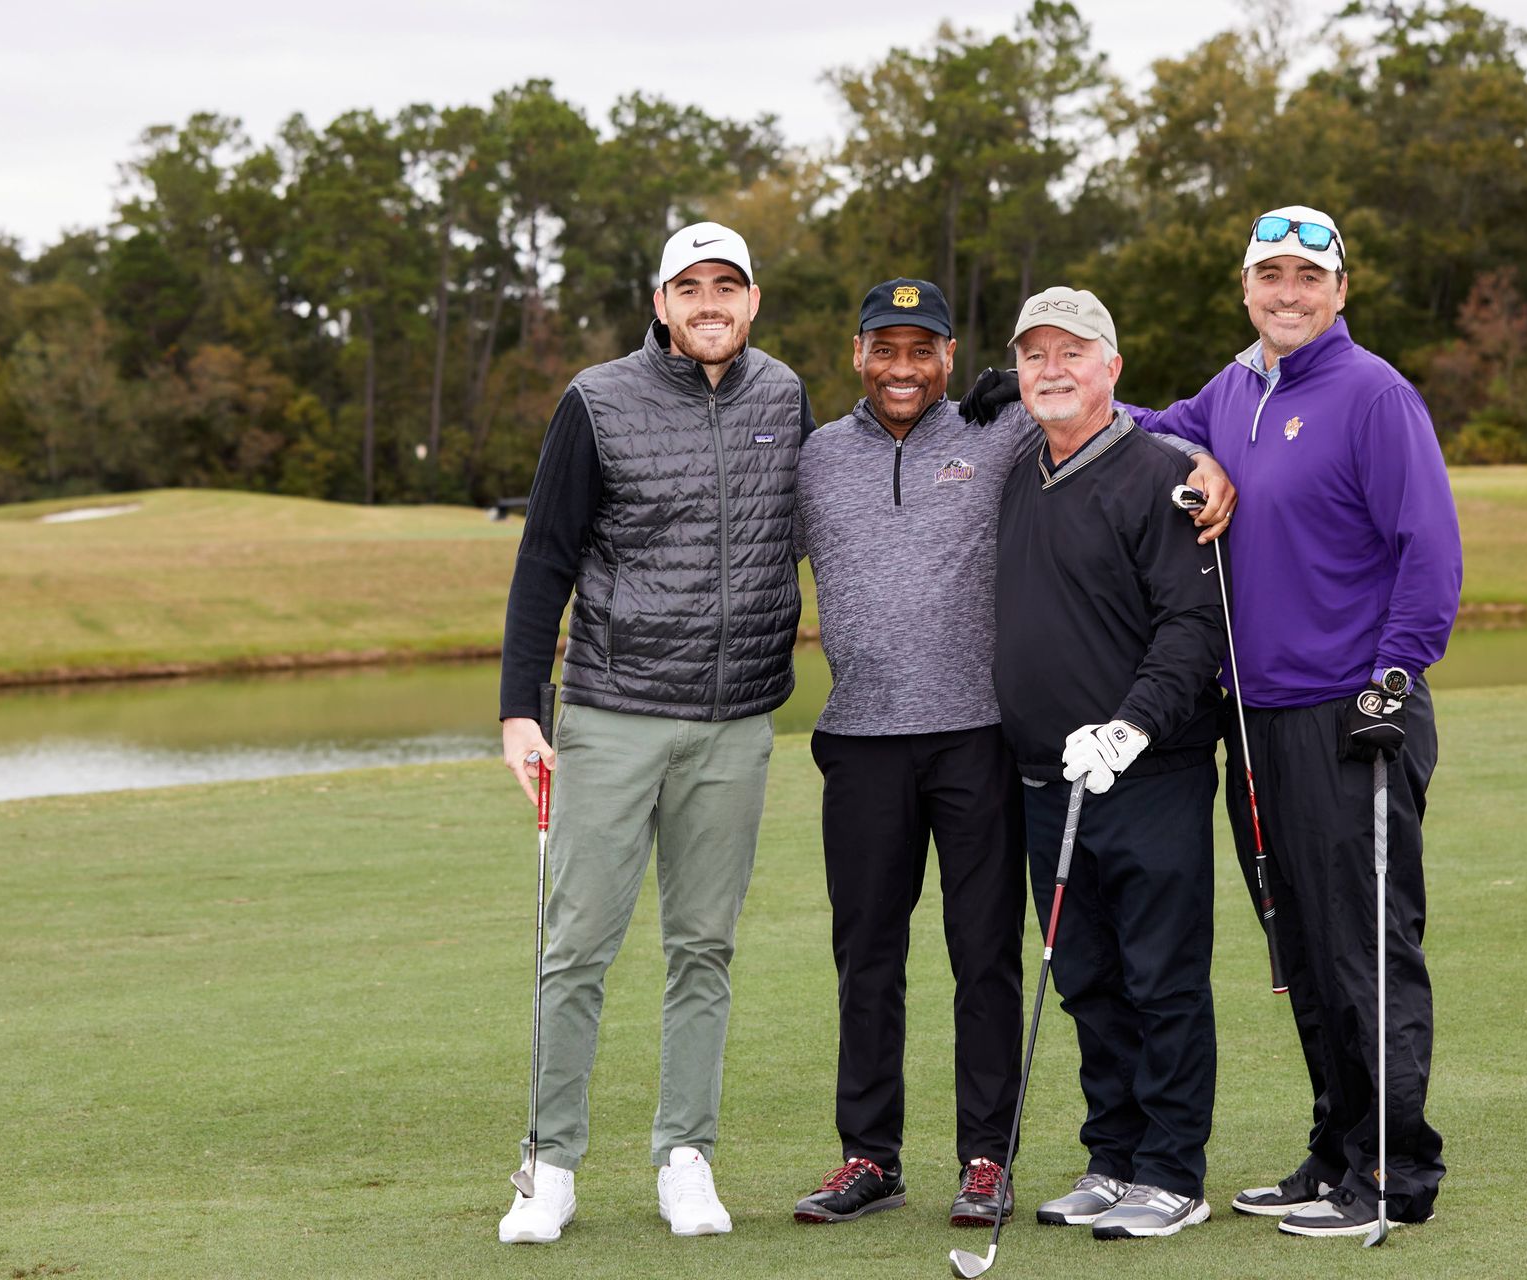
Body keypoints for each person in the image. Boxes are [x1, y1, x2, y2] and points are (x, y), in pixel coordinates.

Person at [790, 279, 1231, 1230]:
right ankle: (875, 1155)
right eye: (884, 348)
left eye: (924, 350)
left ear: (951, 360)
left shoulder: (1007, 438)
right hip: (880, 742)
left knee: (1001, 957)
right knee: (889, 958)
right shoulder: (822, 455)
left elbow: (1130, 437)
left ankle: (997, 1159)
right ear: (857, 353)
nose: (902, 367)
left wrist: (1202, 454)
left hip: (991, 744)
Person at [1122, 205, 1462, 1237]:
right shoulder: (1234, 392)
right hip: (1258, 723)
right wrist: (1049, 396)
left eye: (1308, 277)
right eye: (1271, 274)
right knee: (1304, 949)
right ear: (1245, 286)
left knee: (1365, 945)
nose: (1288, 293)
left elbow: (1430, 551)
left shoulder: (1373, 394)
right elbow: (1143, 427)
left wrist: (1389, 683)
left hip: (1352, 713)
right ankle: (1336, 1146)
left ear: (1340, 291)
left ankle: (1395, 1170)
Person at [495, 221, 813, 1244]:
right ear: (662, 300)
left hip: (735, 721)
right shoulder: (597, 400)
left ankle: (686, 1153)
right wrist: (518, 707)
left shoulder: (784, 395)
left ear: (752, 300)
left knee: (703, 946)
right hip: (613, 713)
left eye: (728, 285)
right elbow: (544, 558)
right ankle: (548, 1164)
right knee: (577, 944)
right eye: (692, 286)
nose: (711, 302)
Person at [992, 286, 1227, 1242]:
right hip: (1049, 782)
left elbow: (1192, 625)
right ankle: (1115, 1157)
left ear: (1113, 367)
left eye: (1073, 352)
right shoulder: (1018, 465)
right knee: (1087, 974)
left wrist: (1129, 727)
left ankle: (1173, 1170)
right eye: (1035, 354)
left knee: (1160, 975)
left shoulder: (1162, 473)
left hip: (1149, 774)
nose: (1053, 369)